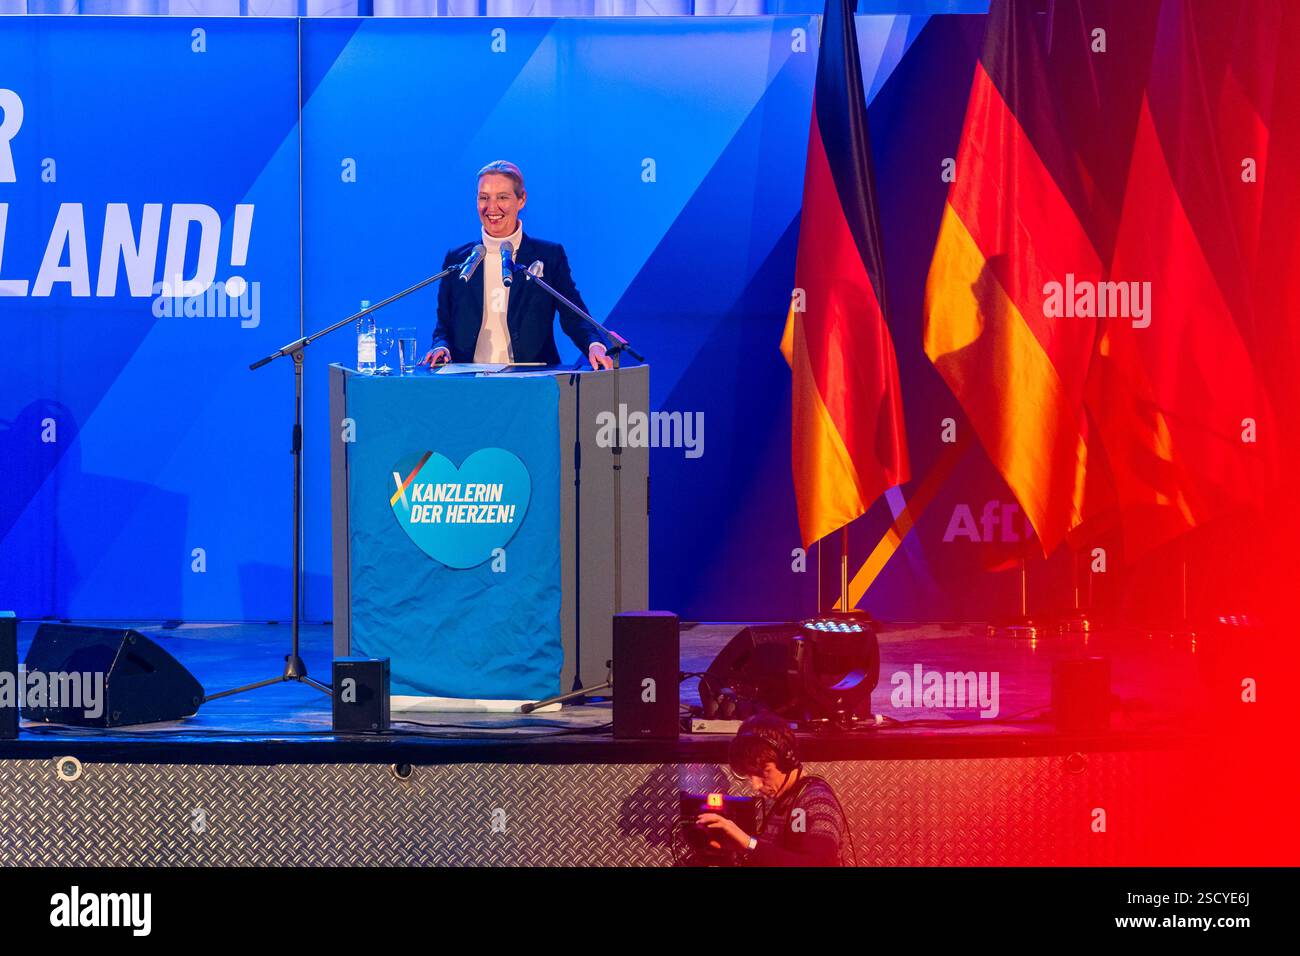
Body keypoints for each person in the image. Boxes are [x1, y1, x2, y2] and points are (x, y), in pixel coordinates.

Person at [421, 160, 613, 370]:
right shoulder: (458, 260)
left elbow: (574, 316)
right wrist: (441, 347)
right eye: (484, 197)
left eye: (502, 197)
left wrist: (593, 345)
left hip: (531, 382)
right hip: (469, 384)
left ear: (522, 200)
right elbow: (443, 328)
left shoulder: (548, 256)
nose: (491, 207)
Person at [697, 712, 852, 866]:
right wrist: (737, 848)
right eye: (750, 776)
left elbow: (819, 863)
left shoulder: (817, 801)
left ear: (786, 760)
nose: (756, 786)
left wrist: (749, 844)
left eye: (763, 772)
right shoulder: (786, 800)